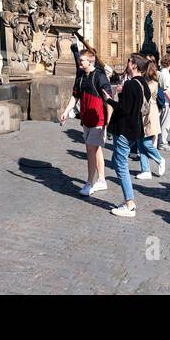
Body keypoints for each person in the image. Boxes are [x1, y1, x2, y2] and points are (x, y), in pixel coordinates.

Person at [59, 41, 112, 196]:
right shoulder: (81, 77)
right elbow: (75, 97)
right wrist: (66, 111)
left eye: (82, 61)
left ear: (90, 61)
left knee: (90, 150)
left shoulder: (100, 77)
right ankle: (102, 180)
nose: (79, 63)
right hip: (86, 119)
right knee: (96, 151)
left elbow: (109, 99)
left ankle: (89, 182)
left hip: (98, 120)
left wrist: (108, 120)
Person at [108, 54, 150, 217]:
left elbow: (124, 109)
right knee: (116, 161)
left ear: (134, 66)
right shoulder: (142, 83)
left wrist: (110, 99)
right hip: (134, 129)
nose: (127, 63)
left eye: (129, 61)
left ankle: (129, 203)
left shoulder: (131, 85)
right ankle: (128, 200)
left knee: (121, 165)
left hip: (125, 129)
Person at [136, 62, 169, 180]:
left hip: (150, 115)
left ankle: (160, 159)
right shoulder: (145, 82)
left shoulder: (153, 84)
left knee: (146, 143)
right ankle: (145, 170)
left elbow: (144, 95)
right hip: (143, 115)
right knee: (141, 143)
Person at [156, 54, 170, 150]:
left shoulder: (163, 72)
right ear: (169, 62)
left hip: (166, 101)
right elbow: (165, 89)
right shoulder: (165, 73)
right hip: (167, 102)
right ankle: (163, 142)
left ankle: (161, 141)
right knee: (165, 123)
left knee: (163, 122)